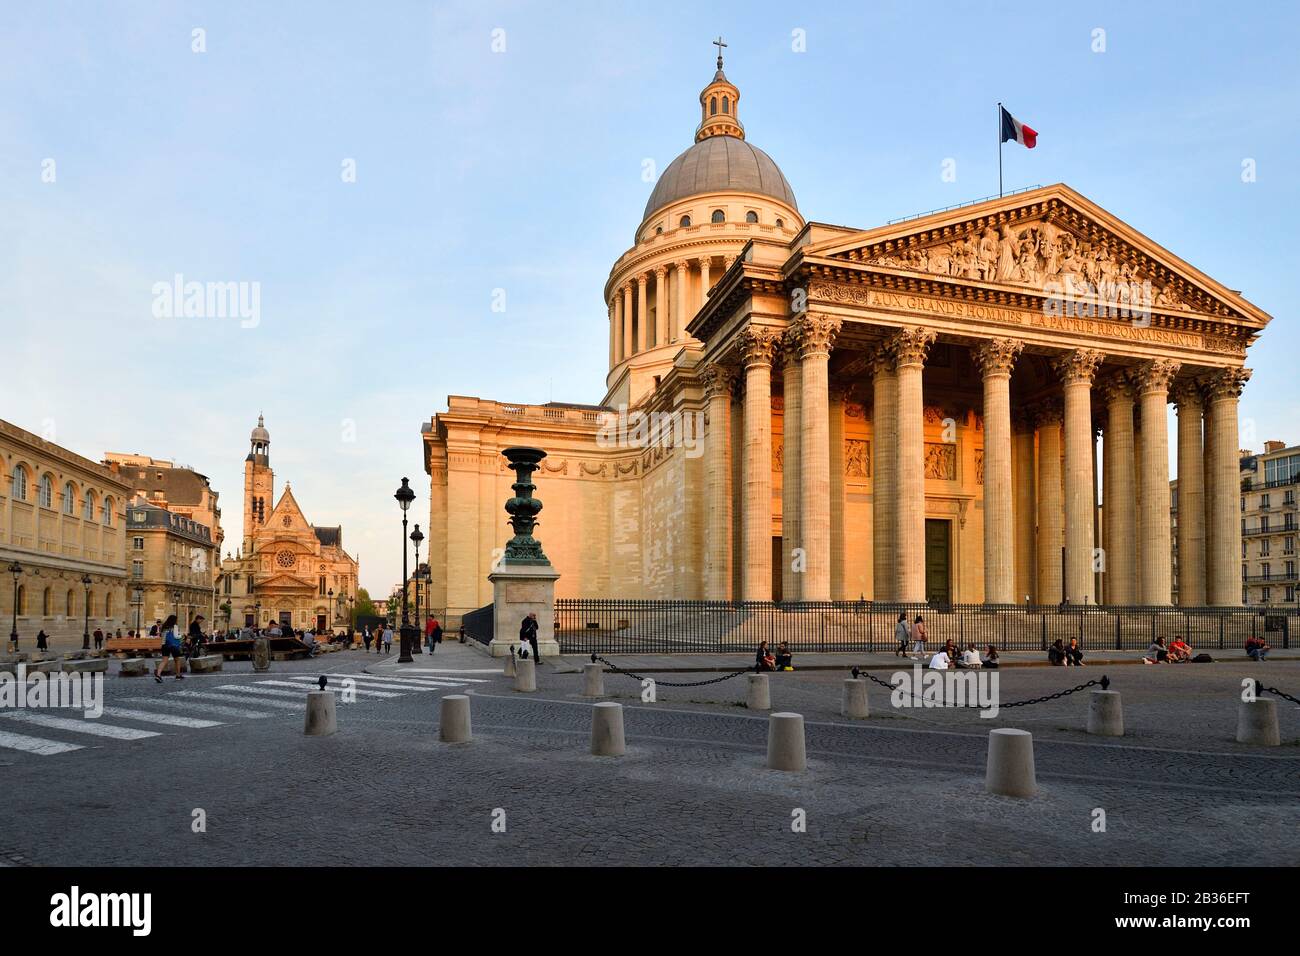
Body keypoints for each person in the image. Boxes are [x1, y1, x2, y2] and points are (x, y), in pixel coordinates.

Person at [153, 614, 184, 682]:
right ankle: (178, 675)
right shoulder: (175, 627)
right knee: (177, 660)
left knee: (164, 661)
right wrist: (181, 636)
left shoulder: (163, 626)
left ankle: (158, 675)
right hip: (173, 645)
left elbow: (162, 636)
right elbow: (176, 636)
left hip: (165, 645)